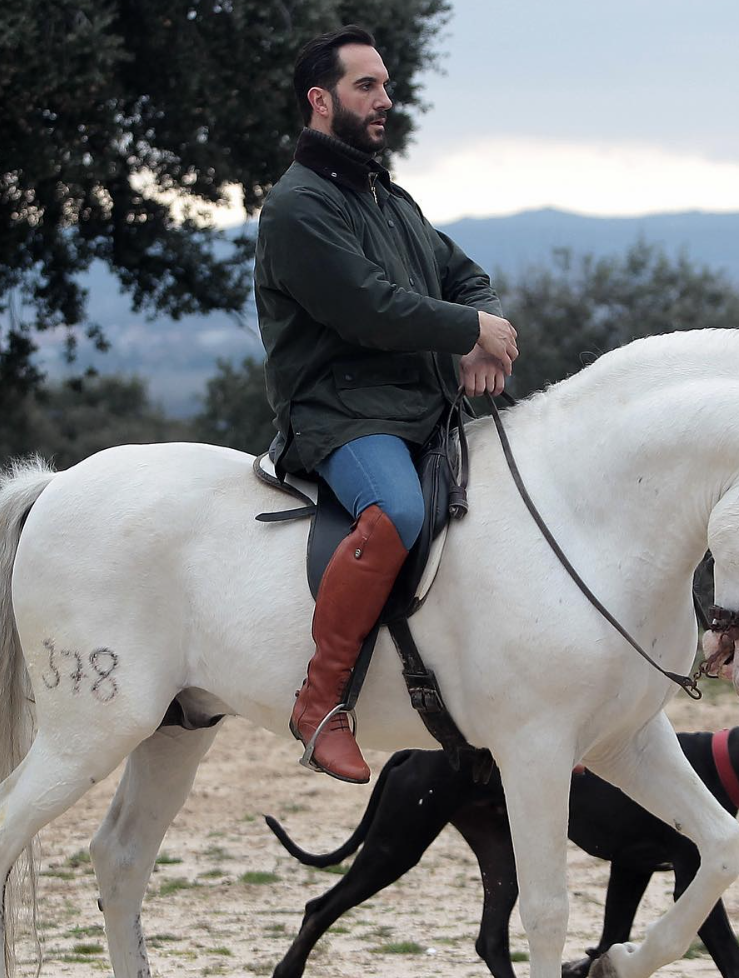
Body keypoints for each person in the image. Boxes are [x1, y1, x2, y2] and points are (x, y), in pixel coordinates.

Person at [255, 25, 518, 785]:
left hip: (418, 404)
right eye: (366, 85)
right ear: (320, 99)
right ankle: (321, 700)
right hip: (341, 414)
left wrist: (476, 332)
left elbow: (461, 274)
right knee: (397, 512)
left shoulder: (386, 197)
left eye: (387, 85)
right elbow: (370, 309)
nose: (385, 100)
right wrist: (468, 328)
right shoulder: (298, 208)